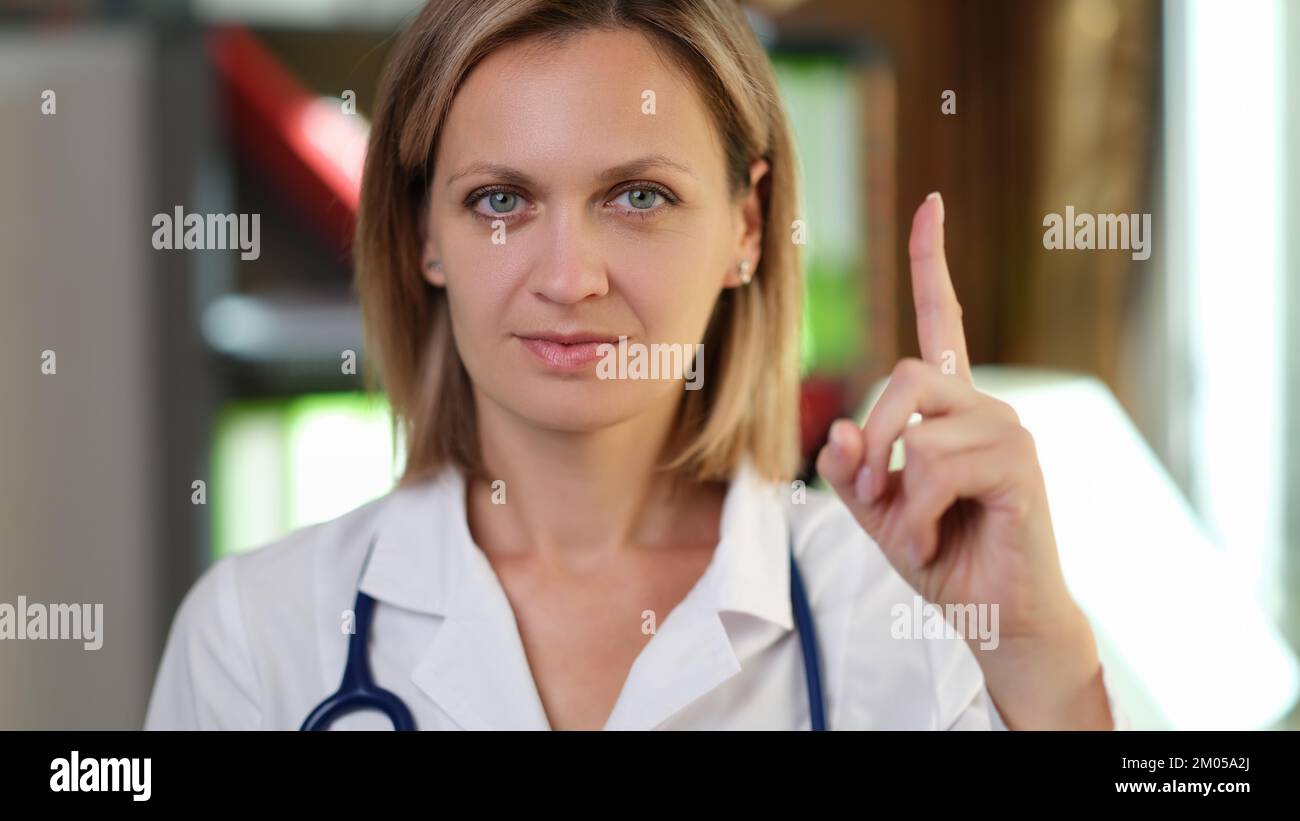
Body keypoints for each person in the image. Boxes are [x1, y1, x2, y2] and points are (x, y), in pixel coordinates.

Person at [145, 0, 1125, 730]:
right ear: (420, 237)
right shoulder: (257, 636)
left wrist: (1039, 650)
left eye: (639, 196)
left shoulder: (896, 618)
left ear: (747, 225)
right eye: (499, 201)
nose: (569, 277)